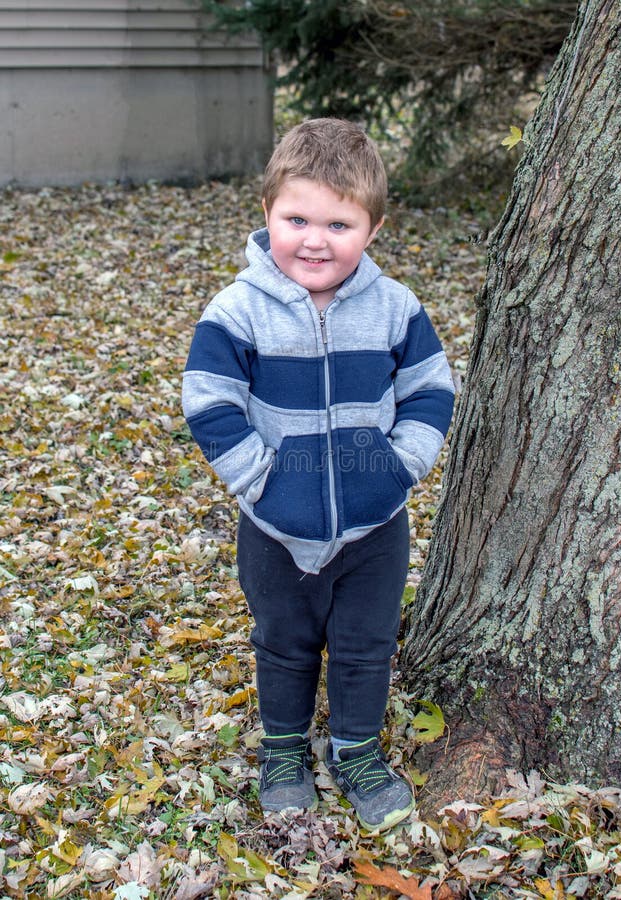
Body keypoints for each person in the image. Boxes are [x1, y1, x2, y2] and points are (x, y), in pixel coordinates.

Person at [182, 118, 455, 832]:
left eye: (339, 223)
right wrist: (260, 481)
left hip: (373, 524)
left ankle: (356, 752)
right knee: (282, 642)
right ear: (266, 212)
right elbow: (210, 404)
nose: (314, 239)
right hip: (275, 523)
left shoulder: (394, 308)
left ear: (373, 227)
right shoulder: (237, 311)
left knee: (365, 646)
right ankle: (282, 752)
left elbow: (430, 388)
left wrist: (400, 466)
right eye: (295, 217)